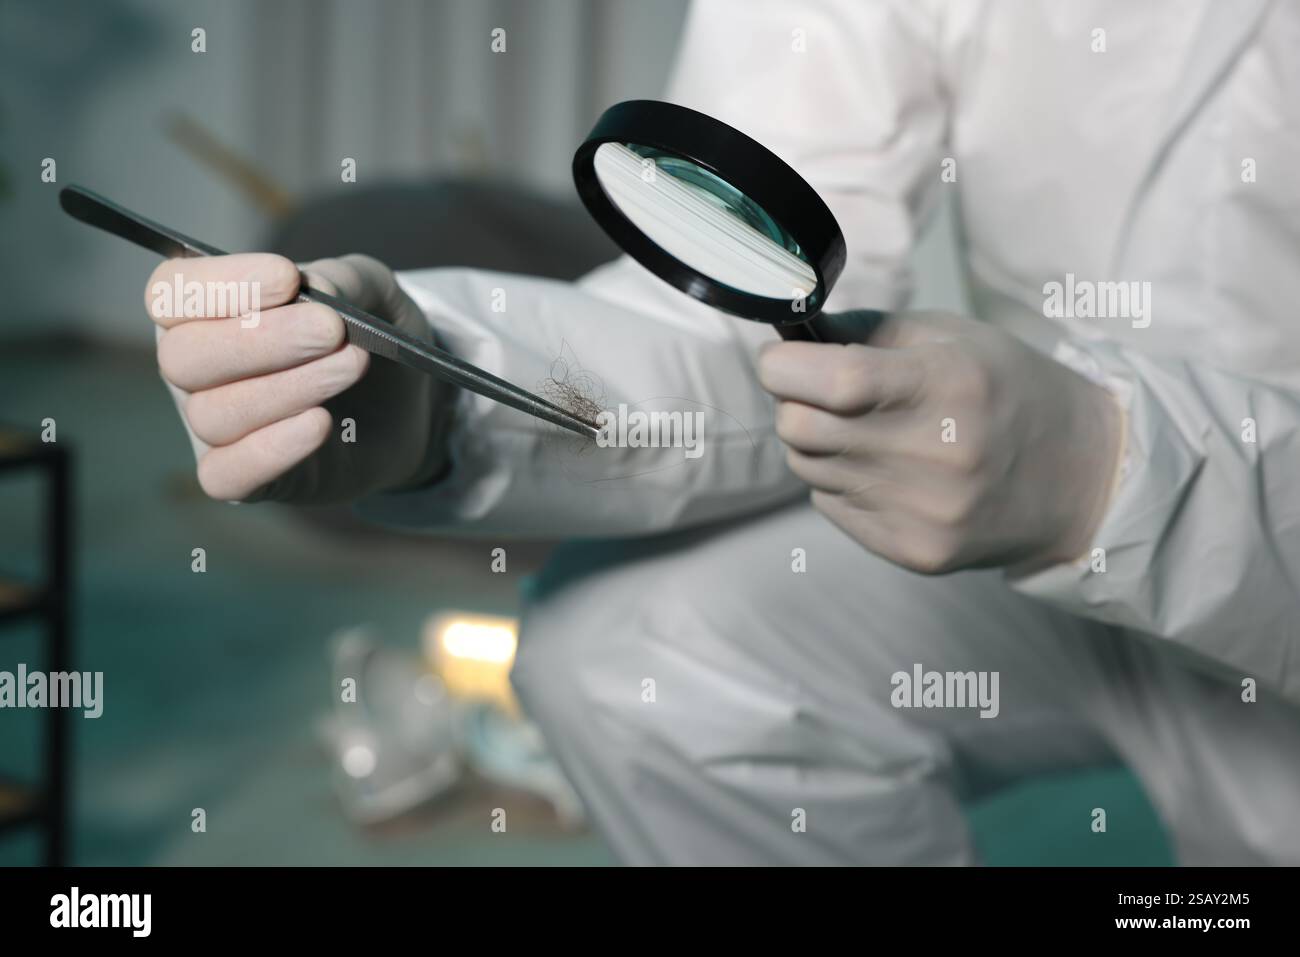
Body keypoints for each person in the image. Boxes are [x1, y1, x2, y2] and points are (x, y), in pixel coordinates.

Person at [144, 0, 1300, 864]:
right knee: (628, 648)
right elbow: (724, 311)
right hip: (1054, 550)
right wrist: (444, 393)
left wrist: (1119, 475)